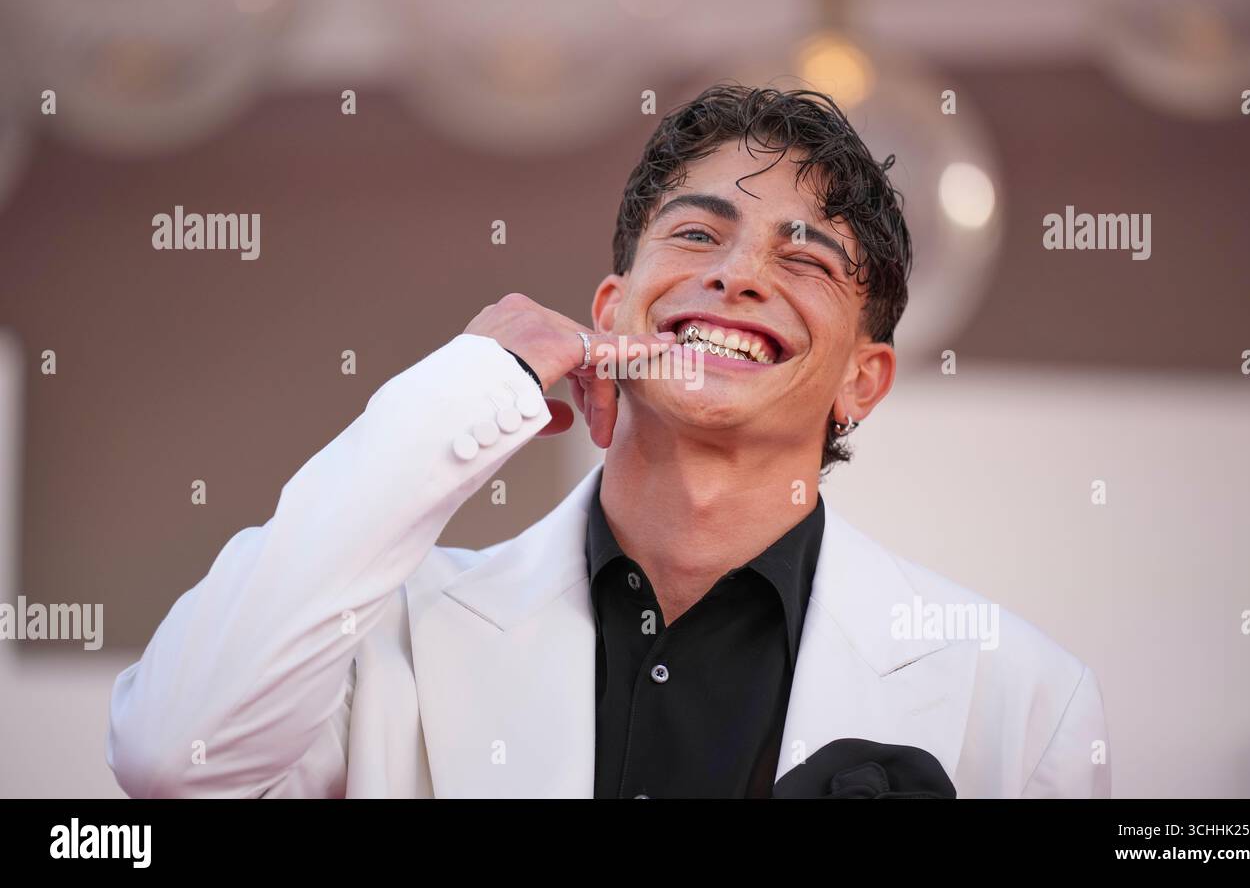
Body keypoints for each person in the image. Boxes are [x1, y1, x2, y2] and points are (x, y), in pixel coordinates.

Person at [106, 84, 1110, 798]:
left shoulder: (1020, 694)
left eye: (803, 256)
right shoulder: (389, 645)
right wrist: (473, 383)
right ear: (613, 311)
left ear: (864, 377)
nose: (736, 275)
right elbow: (171, 754)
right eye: (695, 233)